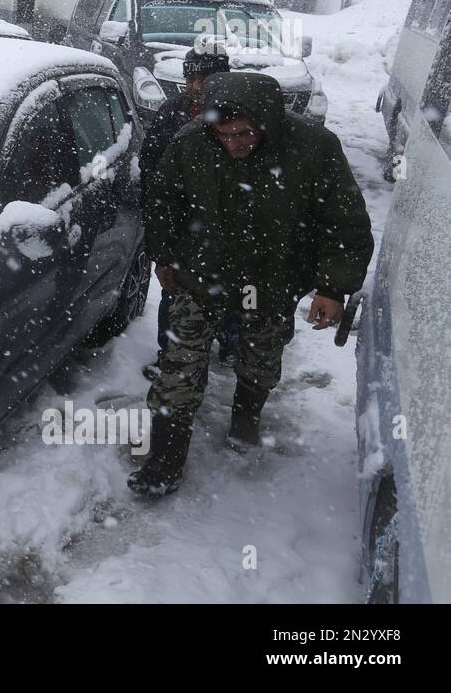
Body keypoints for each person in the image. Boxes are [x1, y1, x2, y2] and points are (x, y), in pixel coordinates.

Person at [129, 71, 373, 496]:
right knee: (179, 364)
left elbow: (344, 222)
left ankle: (246, 415)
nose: (234, 143)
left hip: (272, 277)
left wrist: (333, 288)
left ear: (267, 122)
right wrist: (164, 254)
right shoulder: (191, 143)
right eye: (223, 135)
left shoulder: (313, 147)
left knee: (261, 360)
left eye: (243, 134)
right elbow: (164, 200)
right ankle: (164, 461)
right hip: (202, 273)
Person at [139, 39, 238, 369]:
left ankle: (231, 343)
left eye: (204, 80)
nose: (195, 87)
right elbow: (151, 164)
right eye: (190, 78)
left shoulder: (241, 117)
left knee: (233, 293)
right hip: (183, 229)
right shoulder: (173, 113)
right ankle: (170, 354)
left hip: (232, 229)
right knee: (174, 293)